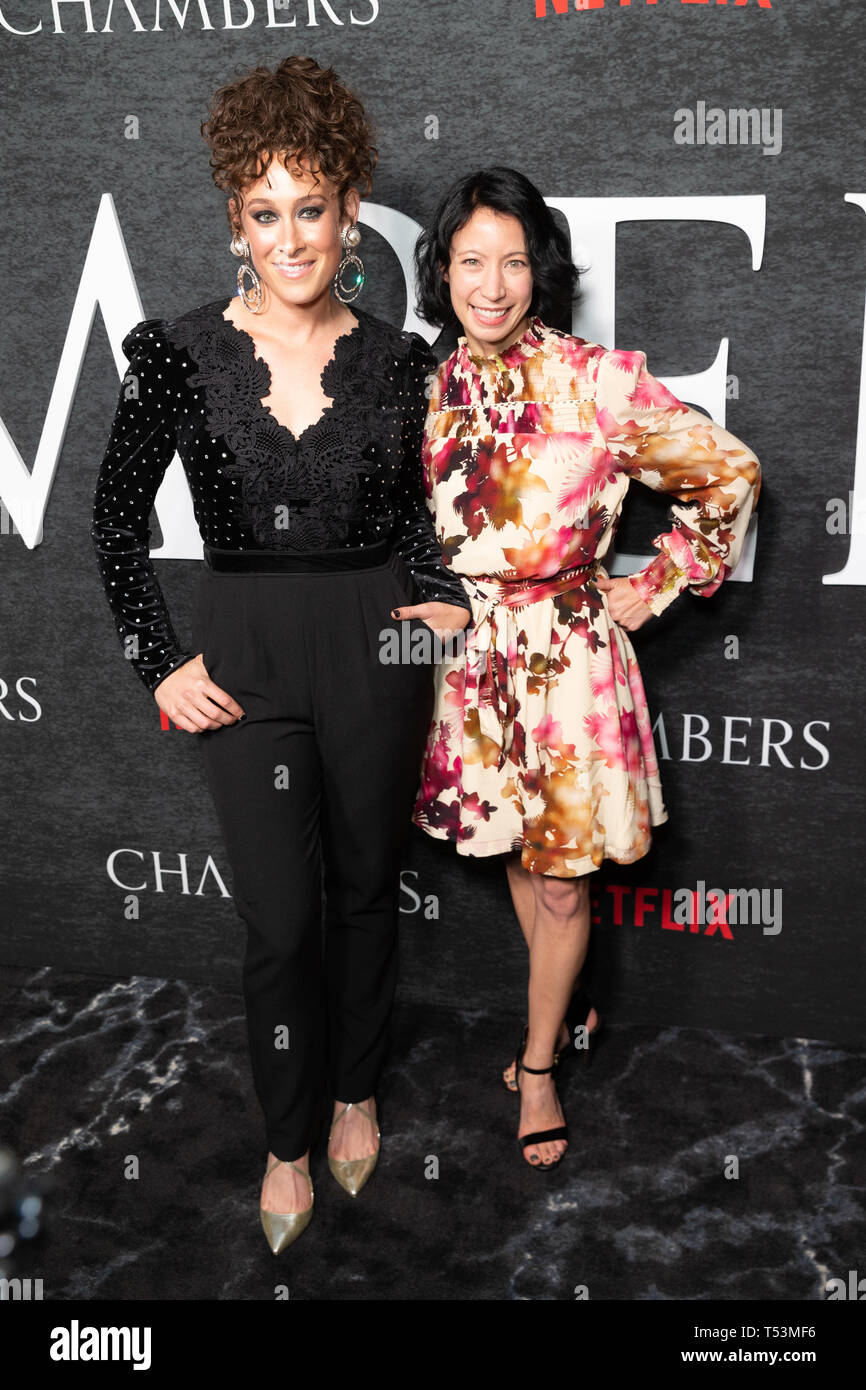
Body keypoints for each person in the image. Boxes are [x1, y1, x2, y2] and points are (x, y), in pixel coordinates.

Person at [90, 56, 470, 1252]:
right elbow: (112, 520)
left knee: (364, 889)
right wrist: (158, 657)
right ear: (235, 222)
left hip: (373, 644)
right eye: (265, 213)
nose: (291, 237)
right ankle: (286, 1133)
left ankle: (356, 1090)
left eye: (312, 207)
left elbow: (424, 522)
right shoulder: (177, 354)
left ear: (351, 209)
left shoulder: (404, 365)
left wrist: (444, 597)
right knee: (277, 921)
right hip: (245, 652)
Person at [411, 167, 761, 1171]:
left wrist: (654, 584)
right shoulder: (419, 387)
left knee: (562, 885)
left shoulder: (594, 377)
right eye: (470, 261)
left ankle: (534, 1067)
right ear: (441, 272)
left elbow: (727, 472)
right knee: (527, 859)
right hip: (471, 663)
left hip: (566, 662)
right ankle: (563, 1007)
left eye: (513, 261)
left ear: (540, 271)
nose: (491, 284)